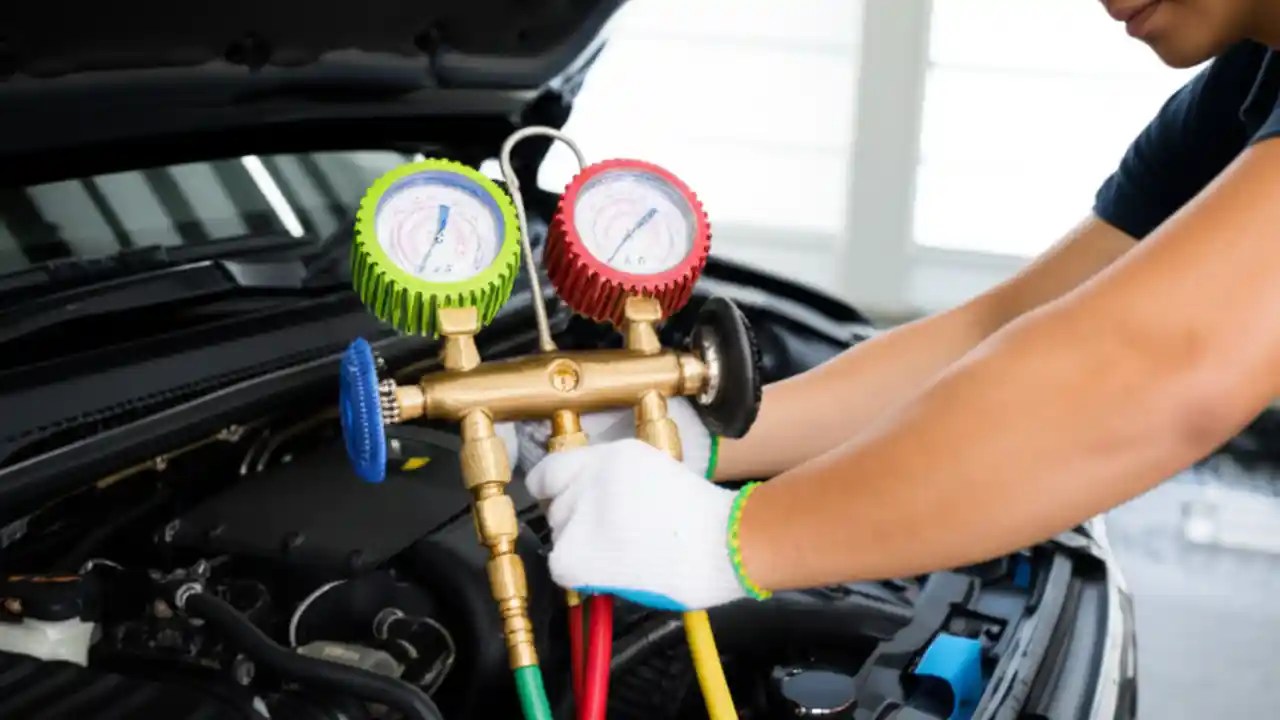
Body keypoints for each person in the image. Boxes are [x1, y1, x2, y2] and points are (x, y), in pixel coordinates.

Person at [506, 0, 1280, 611]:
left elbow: (1159, 364)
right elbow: (996, 326)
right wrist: (700, 438)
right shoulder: (1247, 81)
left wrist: (736, 538)